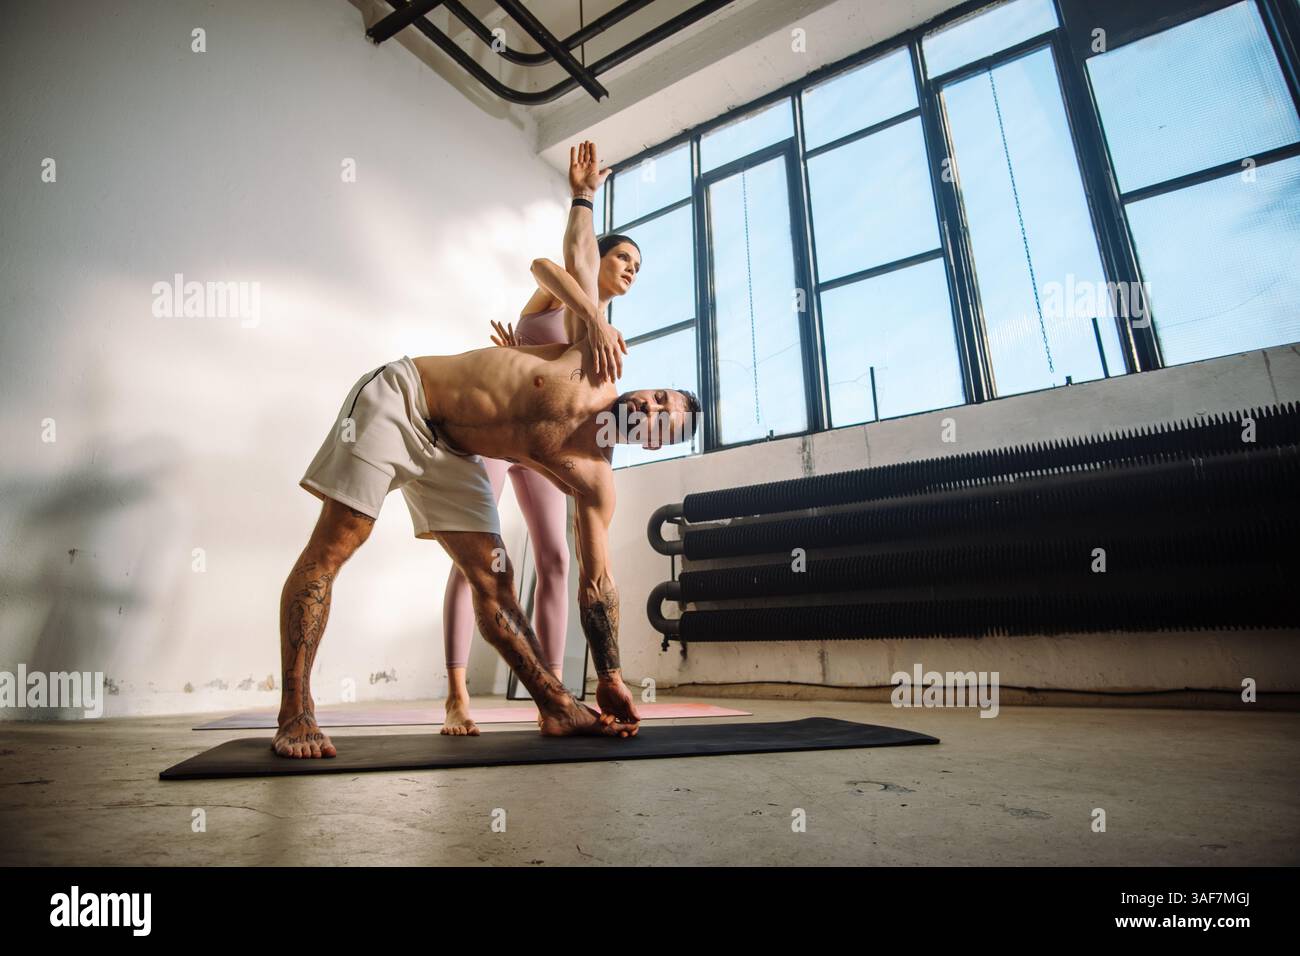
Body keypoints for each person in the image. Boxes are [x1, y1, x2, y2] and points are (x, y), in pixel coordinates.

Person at [273, 142, 701, 758]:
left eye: (664, 418)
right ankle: (295, 711)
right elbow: (570, 259)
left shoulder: (595, 480)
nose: (652, 407)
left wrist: (608, 675)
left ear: (657, 442)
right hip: (406, 398)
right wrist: (583, 198)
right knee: (340, 541)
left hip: (455, 453)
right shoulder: (596, 359)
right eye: (660, 396)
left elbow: (598, 582)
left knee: (495, 582)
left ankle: (556, 707)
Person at [441, 220, 642, 734]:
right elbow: (546, 267)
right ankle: (457, 696)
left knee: (554, 558)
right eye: (624, 259)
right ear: (597, 259)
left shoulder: (604, 333)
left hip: (544, 449)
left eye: (637, 268)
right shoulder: (565, 303)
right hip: (497, 433)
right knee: (476, 558)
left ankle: (553, 699)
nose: (631, 271)